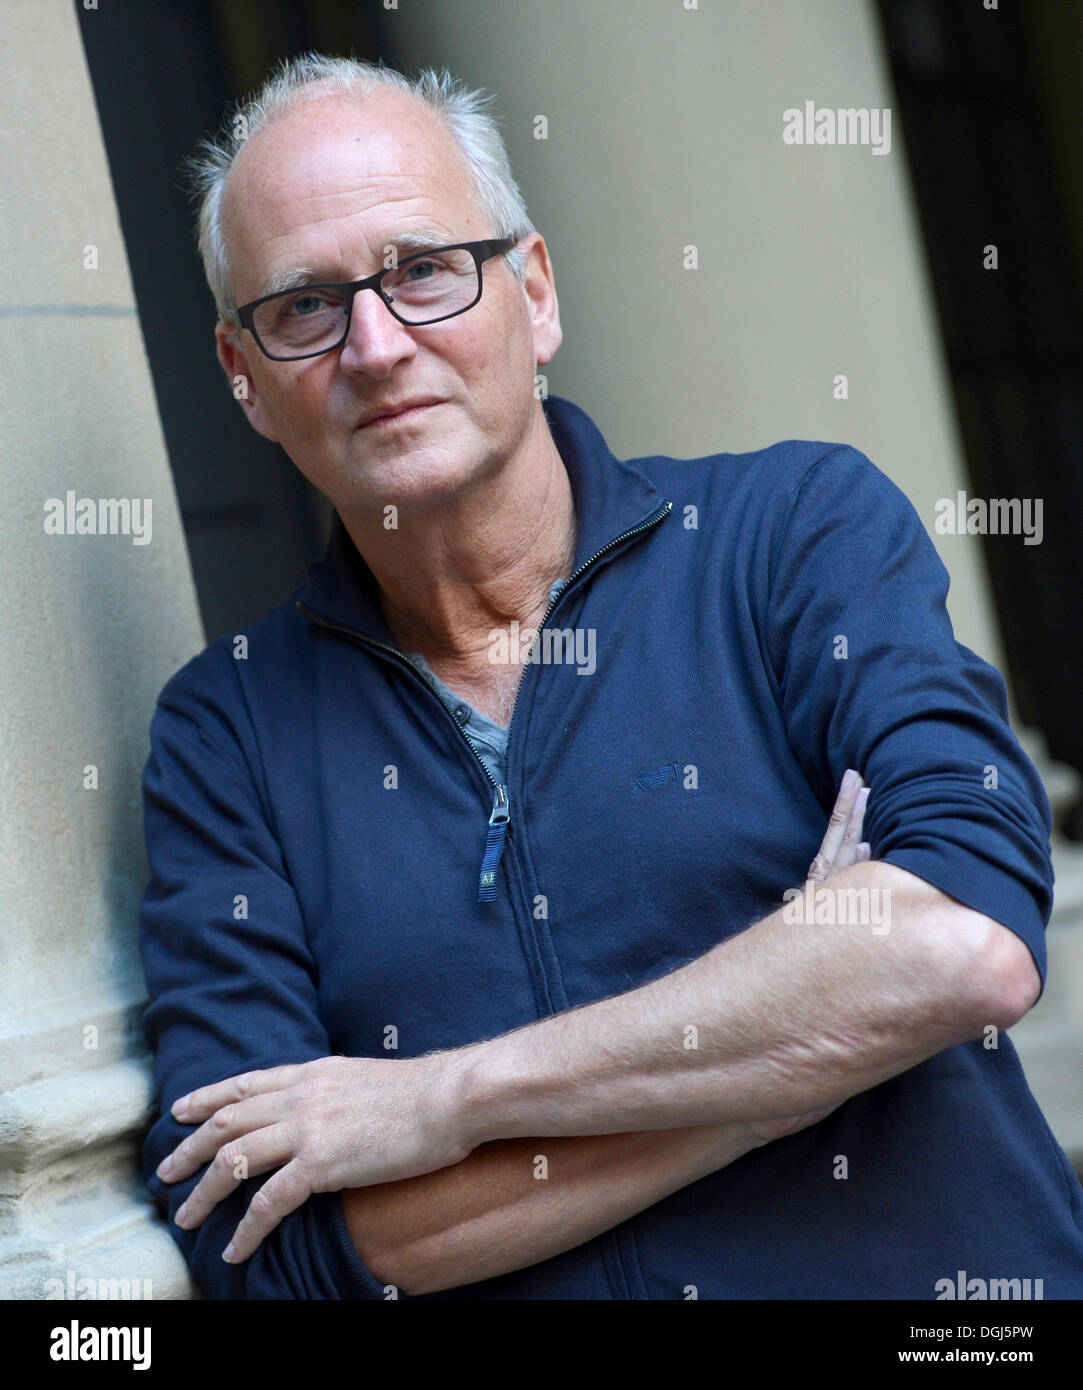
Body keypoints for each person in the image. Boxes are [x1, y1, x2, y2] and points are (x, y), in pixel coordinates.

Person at [139, 53, 1083, 1300]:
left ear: (533, 294)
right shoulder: (228, 735)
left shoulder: (790, 532)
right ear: (244, 379)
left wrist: (439, 1100)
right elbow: (273, 1250)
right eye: (304, 306)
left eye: (424, 269)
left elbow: (963, 942)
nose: (375, 344)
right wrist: (770, 1077)